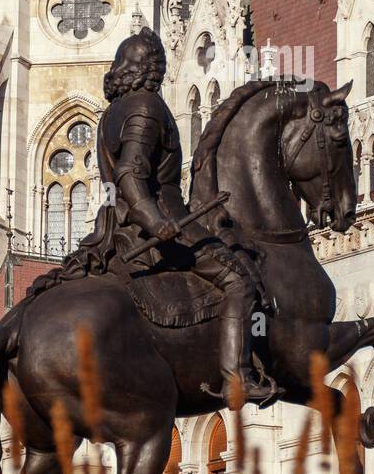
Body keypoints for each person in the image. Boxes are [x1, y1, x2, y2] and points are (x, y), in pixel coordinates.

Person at [91, 27, 276, 407]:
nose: (160, 73)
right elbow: (129, 173)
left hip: (118, 225)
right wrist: (155, 221)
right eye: (158, 65)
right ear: (150, 68)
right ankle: (235, 377)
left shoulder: (112, 112)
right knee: (239, 281)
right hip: (157, 228)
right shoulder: (145, 107)